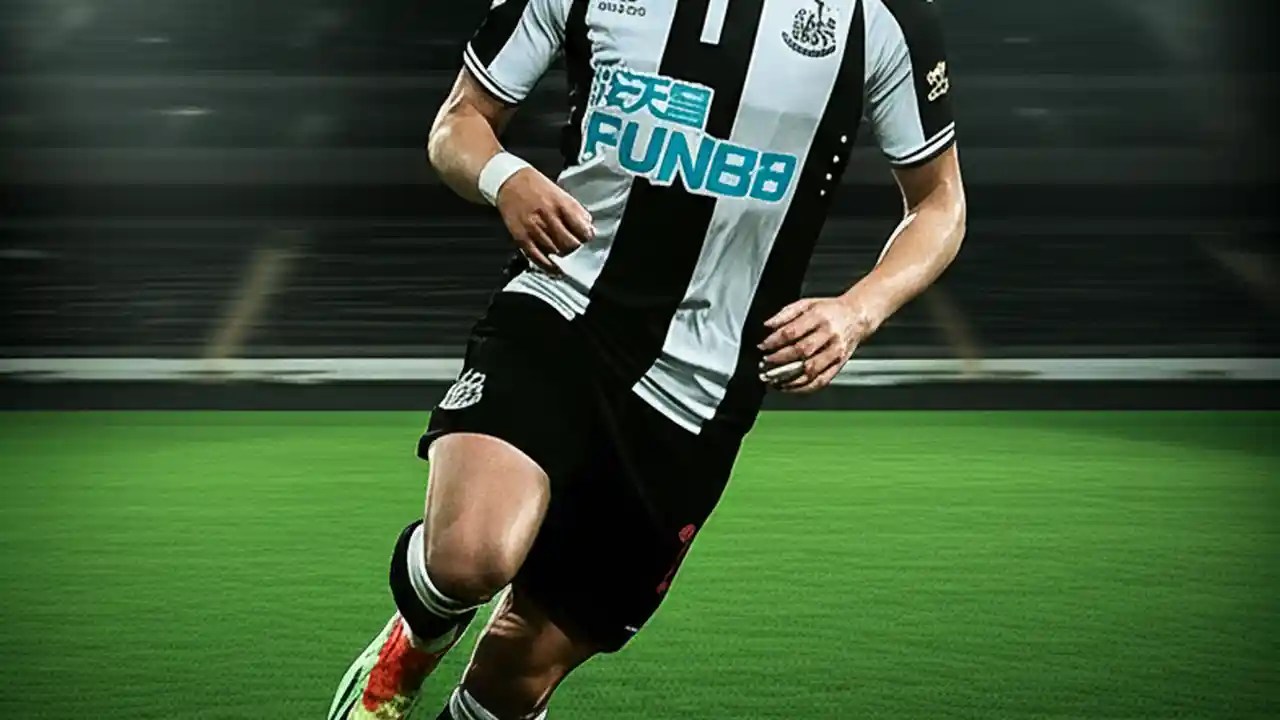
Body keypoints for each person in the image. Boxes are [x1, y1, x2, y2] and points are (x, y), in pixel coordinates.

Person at [329, 0, 966, 716]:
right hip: (564, 309)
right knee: (469, 558)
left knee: (519, 672)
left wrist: (857, 311)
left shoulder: (882, 16)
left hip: (702, 386)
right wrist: (504, 176)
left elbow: (939, 202)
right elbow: (459, 123)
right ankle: (410, 646)